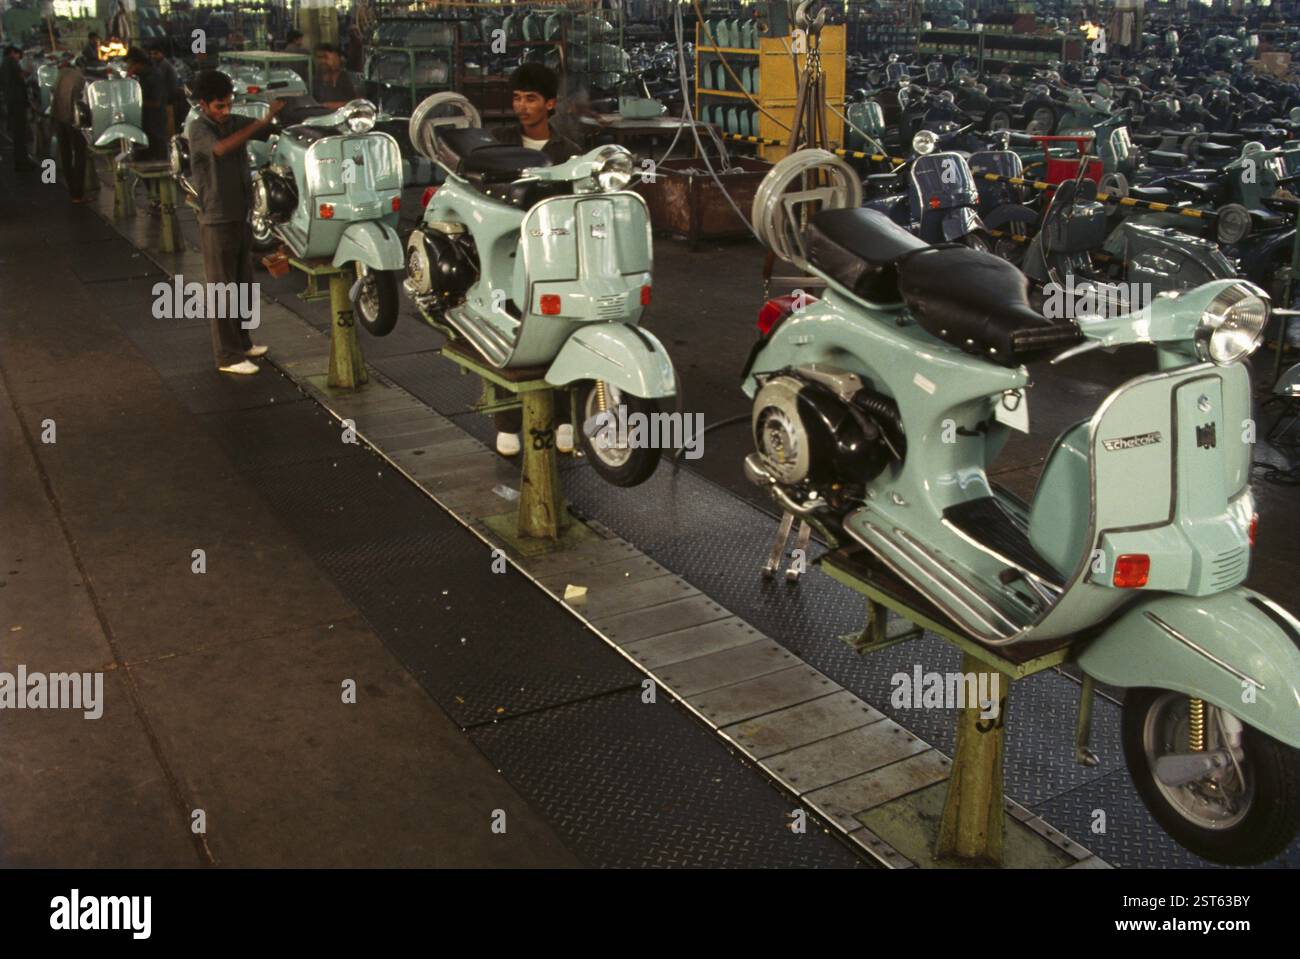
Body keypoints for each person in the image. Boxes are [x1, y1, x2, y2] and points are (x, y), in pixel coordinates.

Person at [488, 64, 581, 456]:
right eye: (517, 98)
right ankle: (508, 421)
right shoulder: (497, 146)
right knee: (506, 330)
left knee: (561, 333)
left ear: (550, 103)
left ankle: (564, 418)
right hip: (508, 253)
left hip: (555, 257)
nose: (522, 107)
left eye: (530, 99)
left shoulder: (570, 153)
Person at [186, 69, 280, 375]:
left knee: (242, 282)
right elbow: (221, 149)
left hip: (239, 212)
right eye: (219, 107)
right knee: (222, 288)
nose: (226, 112)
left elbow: (266, 131)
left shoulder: (233, 121)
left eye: (229, 104)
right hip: (216, 216)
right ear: (203, 104)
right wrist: (259, 123)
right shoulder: (199, 128)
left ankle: (242, 342)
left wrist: (274, 112)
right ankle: (226, 355)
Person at [52, 56, 87, 201]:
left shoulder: (60, 75)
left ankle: (71, 190)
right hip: (73, 120)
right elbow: (81, 100)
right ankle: (77, 193)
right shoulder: (80, 77)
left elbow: (53, 92)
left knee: (65, 154)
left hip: (59, 118)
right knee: (80, 154)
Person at [125, 46, 166, 160]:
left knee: (156, 153)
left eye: (131, 64)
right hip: (146, 122)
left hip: (154, 121)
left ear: (139, 63)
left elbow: (156, 102)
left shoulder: (153, 75)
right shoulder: (142, 76)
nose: (130, 67)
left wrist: (136, 103)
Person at [1, 46, 34, 172]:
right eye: (18, 56)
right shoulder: (10, 61)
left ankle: (20, 162)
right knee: (20, 133)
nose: (18, 59)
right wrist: (30, 71)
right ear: (13, 53)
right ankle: (22, 163)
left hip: (11, 102)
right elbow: (21, 75)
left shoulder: (4, 64)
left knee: (17, 133)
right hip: (17, 102)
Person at [146, 41, 181, 136]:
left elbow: (157, 83)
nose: (153, 56)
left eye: (156, 53)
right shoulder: (159, 64)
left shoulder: (163, 65)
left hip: (168, 100)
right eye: (151, 54)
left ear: (162, 53)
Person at [312, 42, 356, 108]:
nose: (322, 61)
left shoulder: (350, 78)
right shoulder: (316, 80)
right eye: (319, 57)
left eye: (325, 57)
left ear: (339, 58)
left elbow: (359, 103)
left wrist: (335, 105)